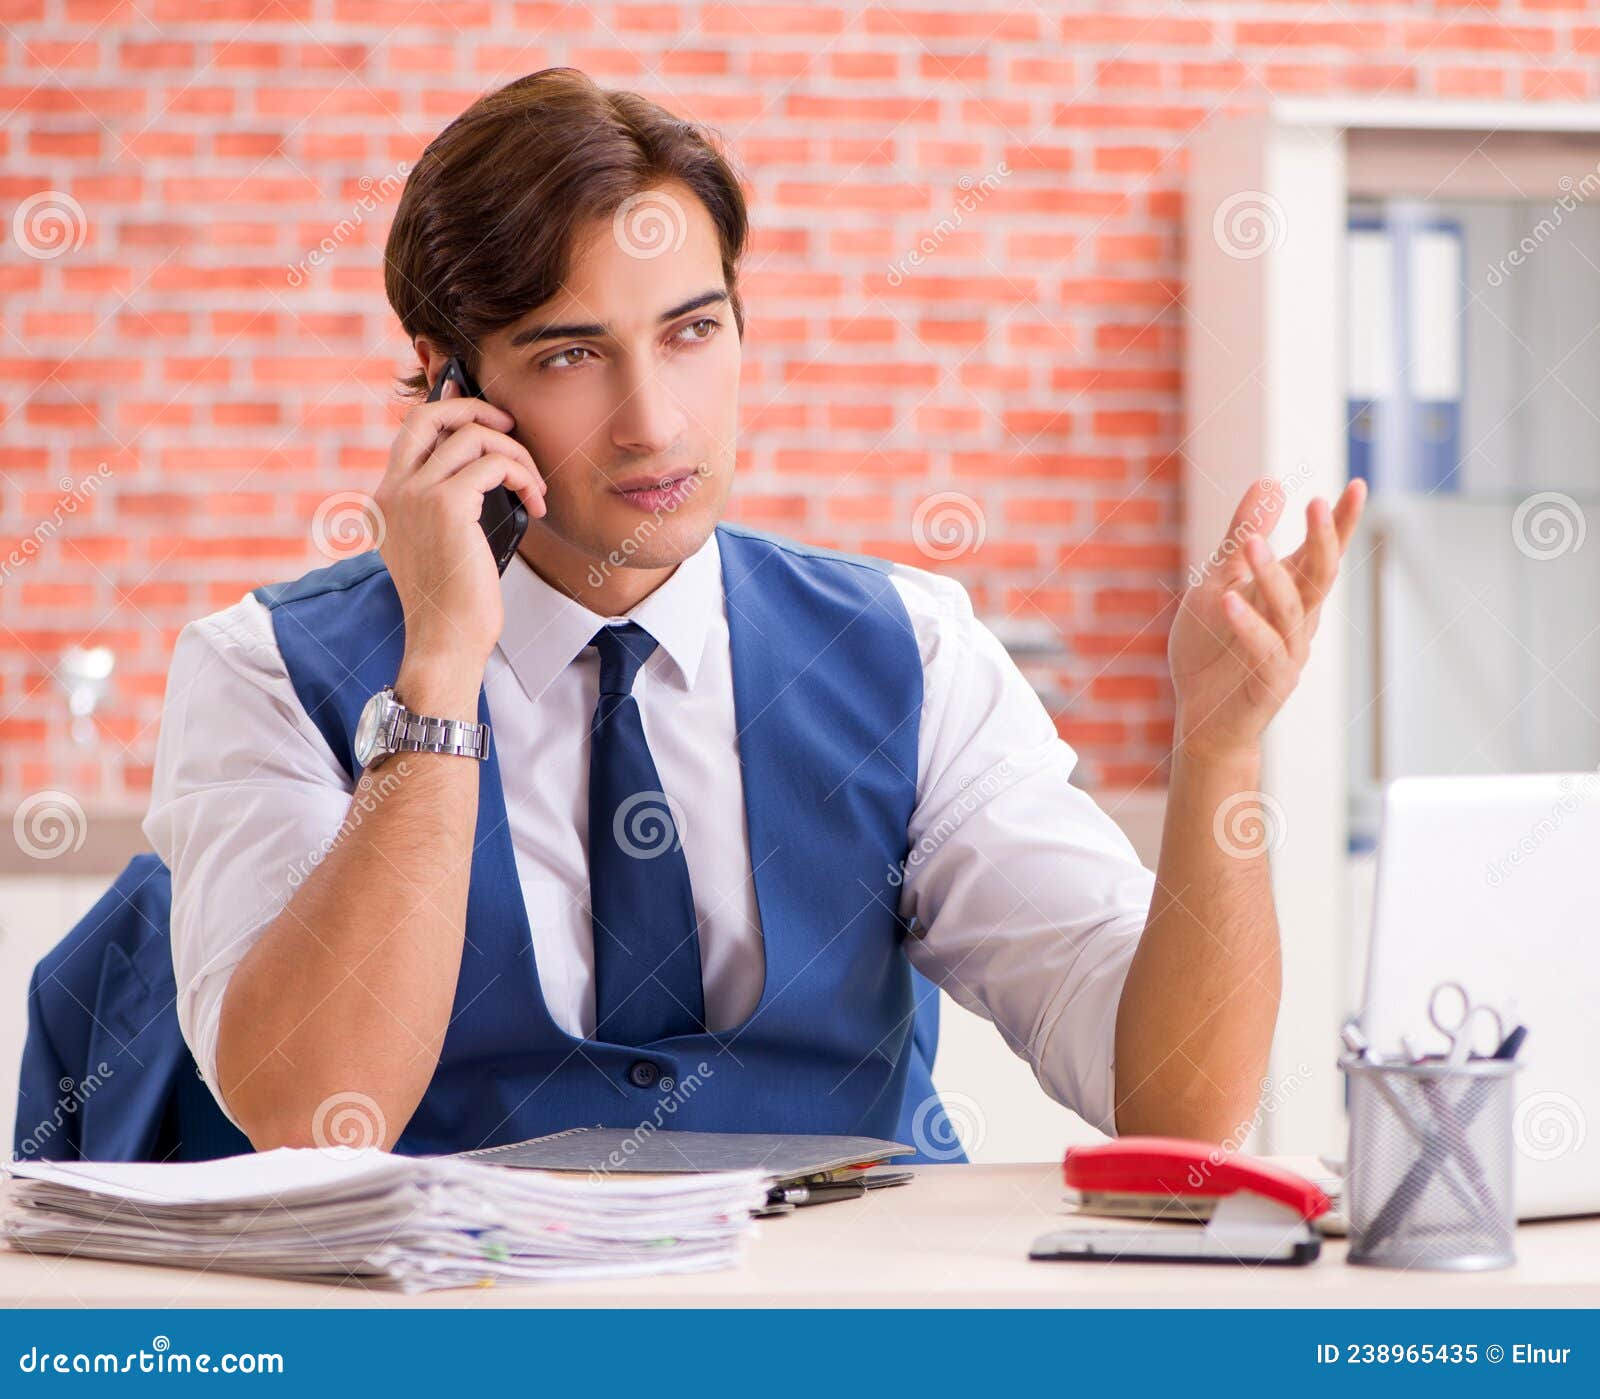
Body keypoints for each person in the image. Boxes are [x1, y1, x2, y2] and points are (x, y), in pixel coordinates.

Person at [142, 68, 1366, 1161]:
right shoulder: (267, 671)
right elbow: (312, 1111)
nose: (654, 423)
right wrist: (443, 669)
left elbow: (1179, 1108)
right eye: (571, 355)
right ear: (448, 380)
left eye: (691, 332)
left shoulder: (910, 651)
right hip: (471, 1312)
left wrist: (1217, 751)